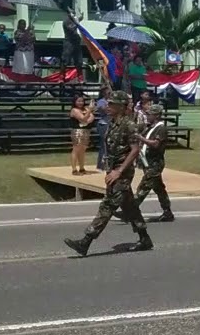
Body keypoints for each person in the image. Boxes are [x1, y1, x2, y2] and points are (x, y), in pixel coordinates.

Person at [63, 92, 153, 256]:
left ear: (120, 106)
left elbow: (135, 150)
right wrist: (109, 169)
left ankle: (86, 241)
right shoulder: (113, 123)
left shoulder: (128, 125)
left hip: (122, 171)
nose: (107, 107)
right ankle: (144, 237)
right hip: (113, 169)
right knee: (129, 206)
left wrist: (118, 171)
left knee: (108, 204)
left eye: (111, 104)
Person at [132, 103, 173, 222]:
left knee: (144, 187)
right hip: (147, 162)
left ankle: (130, 211)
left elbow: (155, 144)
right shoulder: (150, 127)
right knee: (159, 188)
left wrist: (141, 138)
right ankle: (167, 212)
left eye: (150, 114)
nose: (147, 116)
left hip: (155, 163)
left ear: (157, 115)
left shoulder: (161, 128)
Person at [68, 94, 94, 175]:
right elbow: (83, 118)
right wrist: (89, 111)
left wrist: (86, 119)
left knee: (83, 150)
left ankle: (82, 168)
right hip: (77, 131)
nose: (81, 103)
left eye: (82, 101)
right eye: (78, 101)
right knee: (76, 149)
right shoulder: (74, 110)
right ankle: (74, 169)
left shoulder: (86, 109)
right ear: (75, 102)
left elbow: (92, 117)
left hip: (86, 131)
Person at [93, 85, 110, 171]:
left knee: (109, 145)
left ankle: (108, 164)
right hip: (103, 124)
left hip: (110, 123)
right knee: (104, 145)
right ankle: (100, 165)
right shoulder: (101, 101)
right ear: (104, 93)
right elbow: (104, 109)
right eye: (108, 93)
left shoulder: (111, 101)